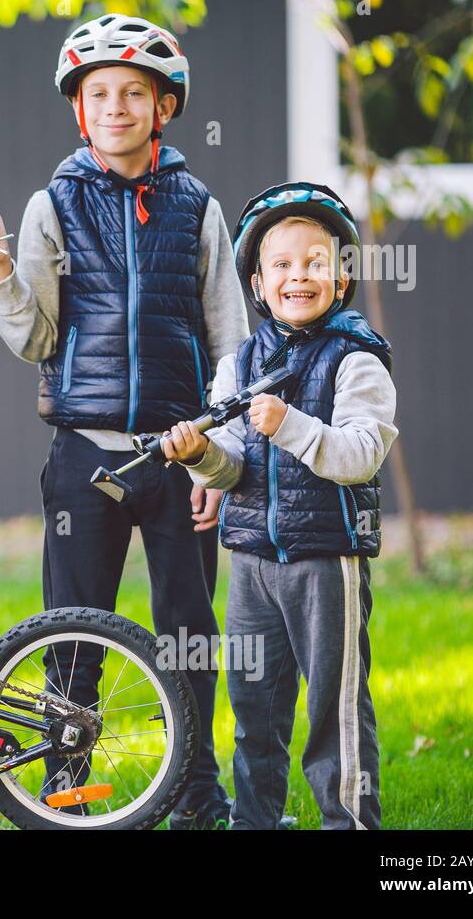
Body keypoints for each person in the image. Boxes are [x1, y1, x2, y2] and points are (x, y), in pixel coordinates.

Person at [0, 14, 249, 828]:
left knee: (188, 631)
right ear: (77, 111)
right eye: (99, 94)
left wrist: (219, 455)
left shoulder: (198, 207)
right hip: (85, 458)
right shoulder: (52, 205)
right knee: (75, 628)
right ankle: (68, 784)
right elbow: (36, 339)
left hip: (181, 453)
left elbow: (230, 336)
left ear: (165, 108)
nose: (116, 106)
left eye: (135, 93)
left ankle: (197, 791)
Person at [161, 182, 396, 829]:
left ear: (341, 279)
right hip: (253, 562)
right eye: (282, 266)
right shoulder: (240, 363)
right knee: (255, 707)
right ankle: (254, 819)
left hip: (326, 559)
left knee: (334, 706)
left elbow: (360, 455)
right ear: (259, 285)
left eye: (315, 263)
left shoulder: (357, 360)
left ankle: (347, 819)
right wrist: (196, 457)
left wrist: (289, 423)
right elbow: (230, 462)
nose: (299, 276)